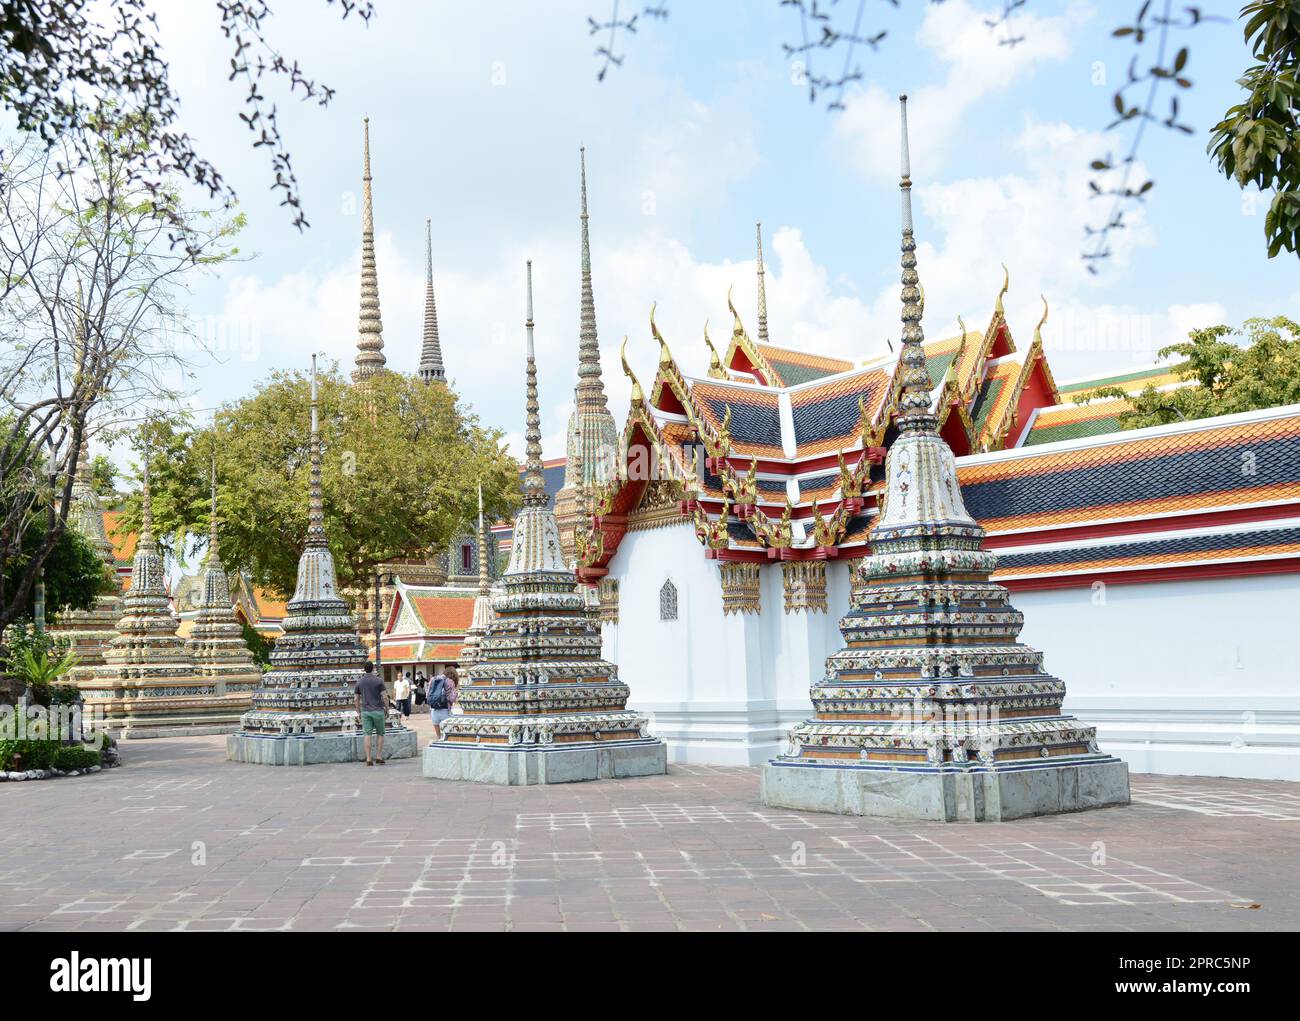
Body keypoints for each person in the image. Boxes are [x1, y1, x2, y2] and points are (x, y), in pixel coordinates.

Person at [354, 660, 391, 765]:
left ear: (364, 669)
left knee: (367, 734)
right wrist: (387, 709)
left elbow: (356, 699)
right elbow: (384, 696)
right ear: (373, 668)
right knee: (380, 733)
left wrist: (358, 712)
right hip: (378, 710)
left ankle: (369, 759)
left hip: (365, 711)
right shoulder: (379, 681)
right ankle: (379, 756)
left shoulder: (359, 682)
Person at [427, 665, 458, 741]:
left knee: (439, 737)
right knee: (447, 737)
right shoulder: (450, 682)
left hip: (434, 710)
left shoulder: (433, 679)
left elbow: (427, 694)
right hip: (445, 710)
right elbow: (452, 698)